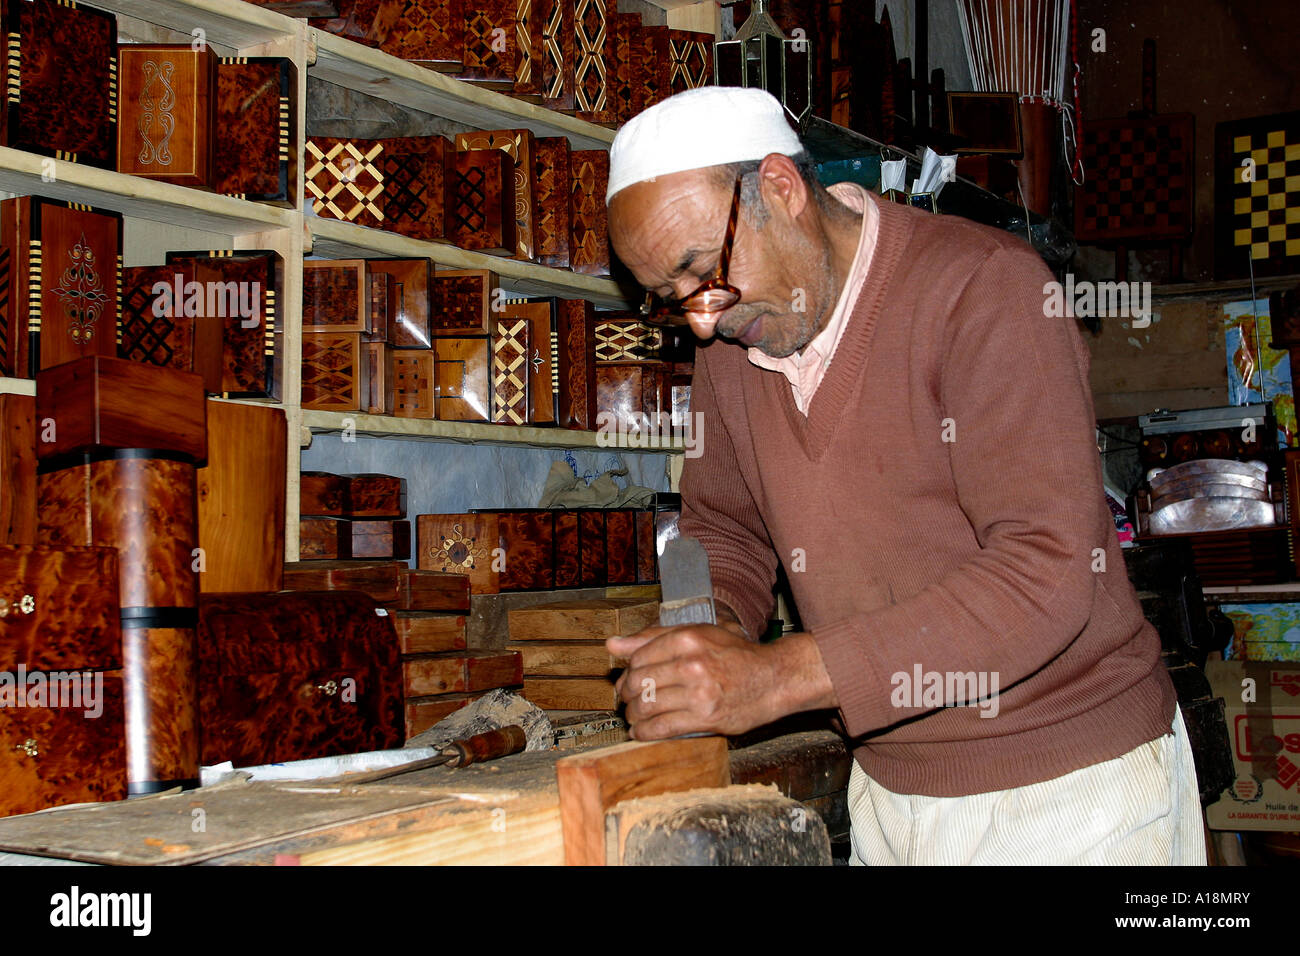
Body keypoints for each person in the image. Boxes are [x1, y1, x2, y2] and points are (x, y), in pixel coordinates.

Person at [602, 86, 1205, 865]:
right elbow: (725, 528)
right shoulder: (731, 344)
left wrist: (778, 678)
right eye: (668, 299)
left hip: (1072, 796)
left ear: (781, 189)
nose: (701, 320)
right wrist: (712, 631)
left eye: (701, 272)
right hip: (890, 795)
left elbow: (1049, 573)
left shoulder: (987, 290)